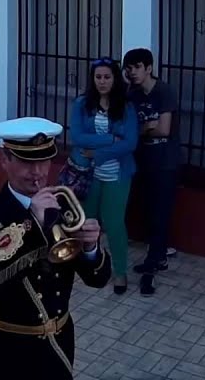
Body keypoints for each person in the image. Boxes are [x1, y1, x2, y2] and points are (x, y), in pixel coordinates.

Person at [0, 117, 111, 379]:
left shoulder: (63, 206)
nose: (37, 172)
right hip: (7, 351)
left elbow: (97, 279)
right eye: (26, 162)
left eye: (43, 161)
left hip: (57, 347)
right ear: (5, 161)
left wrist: (90, 247)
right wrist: (32, 222)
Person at [66, 56, 139, 294]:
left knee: (114, 223)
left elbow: (130, 143)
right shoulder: (82, 104)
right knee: (87, 220)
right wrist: (109, 140)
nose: (102, 82)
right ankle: (90, 266)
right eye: (98, 77)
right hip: (88, 175)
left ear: (115, 79)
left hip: (117, 174)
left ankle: (119, 273)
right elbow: (77, 137)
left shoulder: (125, 107)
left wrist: (97, 154)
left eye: (107, 77)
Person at [122, 47, 179, 296]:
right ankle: (158, 254)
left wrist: (144, 129)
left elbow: (164, 129)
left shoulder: (164, 91)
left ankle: (154, 261)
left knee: (160, 211)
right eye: (128, 68)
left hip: (165, 161)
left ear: (148, 68)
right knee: (146, 208)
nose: (131, 72)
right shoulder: (132, 94)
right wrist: (147, 127)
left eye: (136, 67)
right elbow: (130, 128)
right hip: (142, 160)